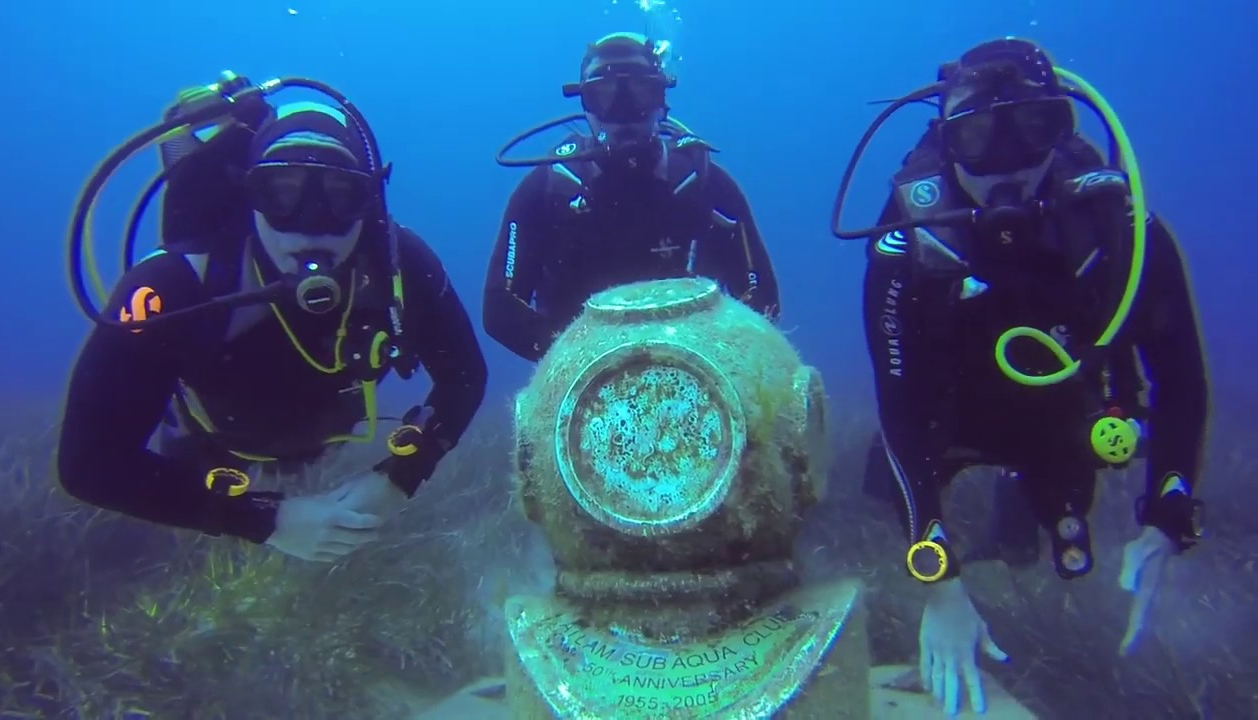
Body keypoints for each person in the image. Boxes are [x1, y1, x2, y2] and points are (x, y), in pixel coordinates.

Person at [830, 39, 1208, 715]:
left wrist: (1170, 512)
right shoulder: (907, 242)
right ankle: (1002, 510)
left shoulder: (1117, 228)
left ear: (1062, 129)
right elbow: (899, 406)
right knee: (887, 474)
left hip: (1061, 411)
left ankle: (1027, 504)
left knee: (1056, 514)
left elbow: (1181, 380)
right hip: (949, 419)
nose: (1008, 166)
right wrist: (938, 582)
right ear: (948, 143)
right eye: (977, 137)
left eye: (1034, 130)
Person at [59, 72, 488, 563]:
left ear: (368, 202)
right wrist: (264, 519)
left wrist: (397, 479)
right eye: (281, 193)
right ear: (250, 197)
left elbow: (465, 377)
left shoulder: (399, 262)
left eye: (340, 195)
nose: (311, 225)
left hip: (329, 446)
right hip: (213, 457)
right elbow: (87, 463)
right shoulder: (174, 285)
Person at [484, 32, 781, 361]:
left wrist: (715, 358)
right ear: (585, 103)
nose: (623, 111)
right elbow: (500, 307)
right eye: (605, 94)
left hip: (693, 368)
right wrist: (576, 359)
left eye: (640, 91)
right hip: (581, 375)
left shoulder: (703, 185)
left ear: (661, 98)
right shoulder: (546, 192)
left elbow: (761, 295)